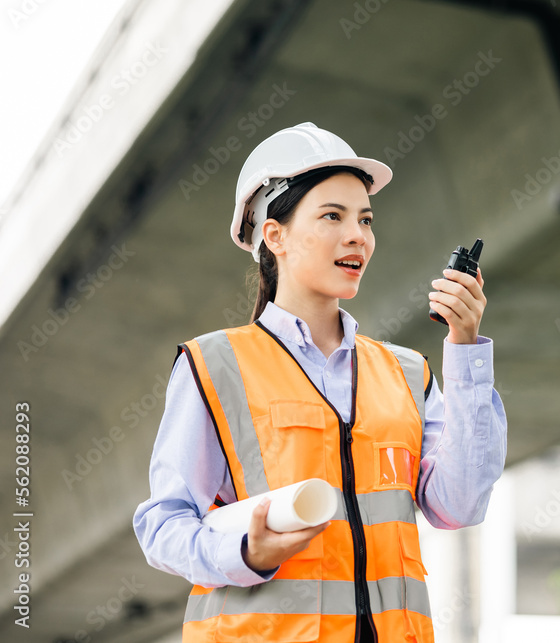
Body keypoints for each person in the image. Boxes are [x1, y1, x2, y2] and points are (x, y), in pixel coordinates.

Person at [132, 122, 508, 643]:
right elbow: (163, 524)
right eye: (332, 216)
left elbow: (460, 504)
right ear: (275, 235)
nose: (358, 235)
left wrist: (464, 348)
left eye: (365, 219)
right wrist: (245, 553)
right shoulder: (215, 364)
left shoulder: (406, 372)